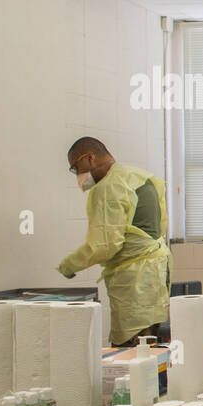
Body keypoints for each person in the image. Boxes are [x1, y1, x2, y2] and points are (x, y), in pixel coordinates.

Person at [59, 137, 172, 346]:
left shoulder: (107, 187)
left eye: (76, 168)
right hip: (156, 273)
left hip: (134, 280)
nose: (78, 176)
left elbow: (105, 245)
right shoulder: (140, 177)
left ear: (90, 158)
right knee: (150, 348)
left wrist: (68, 265)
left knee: (131, 354)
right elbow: (160, 225)